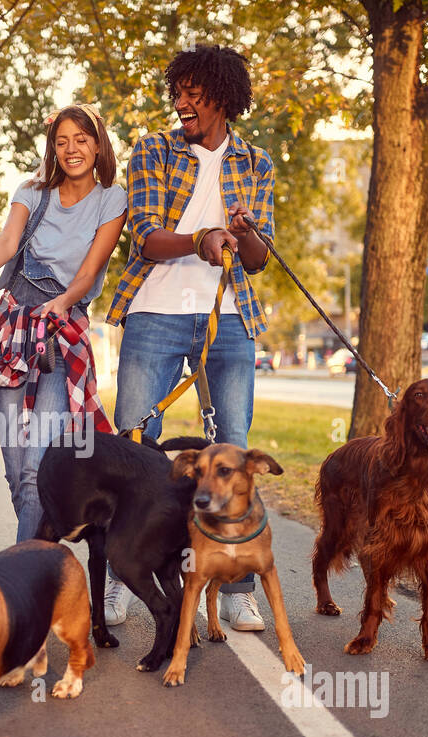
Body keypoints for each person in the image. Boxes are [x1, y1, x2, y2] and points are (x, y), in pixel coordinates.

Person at [104, 45, 275, 631]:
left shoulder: (256, 162)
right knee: (135, 447)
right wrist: (201, 235)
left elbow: (255, 261)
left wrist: (245, 234)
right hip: (154, 312)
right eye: (175, 92)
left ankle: (237, 586)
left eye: (191, 94)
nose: (180, 103)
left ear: (222, 97)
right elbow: (147, 237)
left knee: (231, 448)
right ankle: (120, 578)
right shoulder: (153, 148)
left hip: (229, 320)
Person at [0, 105, 128, 541]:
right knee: (16, 471)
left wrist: (64, 302)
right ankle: (44, 556)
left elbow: (90, 271)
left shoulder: (112, 197)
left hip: (62, 334)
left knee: (35, 465)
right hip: (14, 328)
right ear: (52, 147)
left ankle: (24, 578)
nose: (72, 149)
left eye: (82, 139)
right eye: (62, 140)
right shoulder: (32, 190)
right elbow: (8, 240)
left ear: (98, 143)